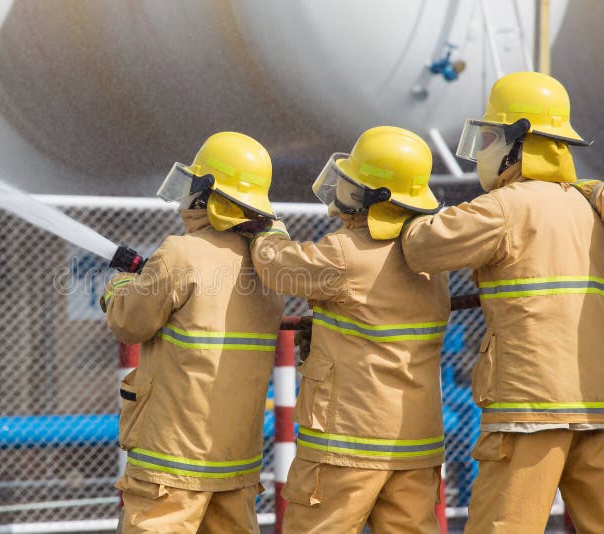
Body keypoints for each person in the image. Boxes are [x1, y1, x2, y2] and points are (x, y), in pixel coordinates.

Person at [400, 71, 604, 533]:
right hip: (594, 406)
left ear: (520, 142)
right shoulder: (588, 205)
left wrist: (398, 213)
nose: (485, 148)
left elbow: (422, 248)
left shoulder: (506, 206)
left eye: (491, 136)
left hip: (527, 406)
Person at [251, 126, 449, 533]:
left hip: (347, 443)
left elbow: (278, 268)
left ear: (372, 198)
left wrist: (266, 232)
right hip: (415, 444)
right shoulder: (433, 263)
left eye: (352, 187)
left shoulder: (346, 252)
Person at [102, 131, 285, 533]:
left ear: (207, 194)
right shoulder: (269, 267)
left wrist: (117, 288)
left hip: (171, 462)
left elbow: (129, 324)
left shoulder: (180, 253)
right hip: (236, 464)